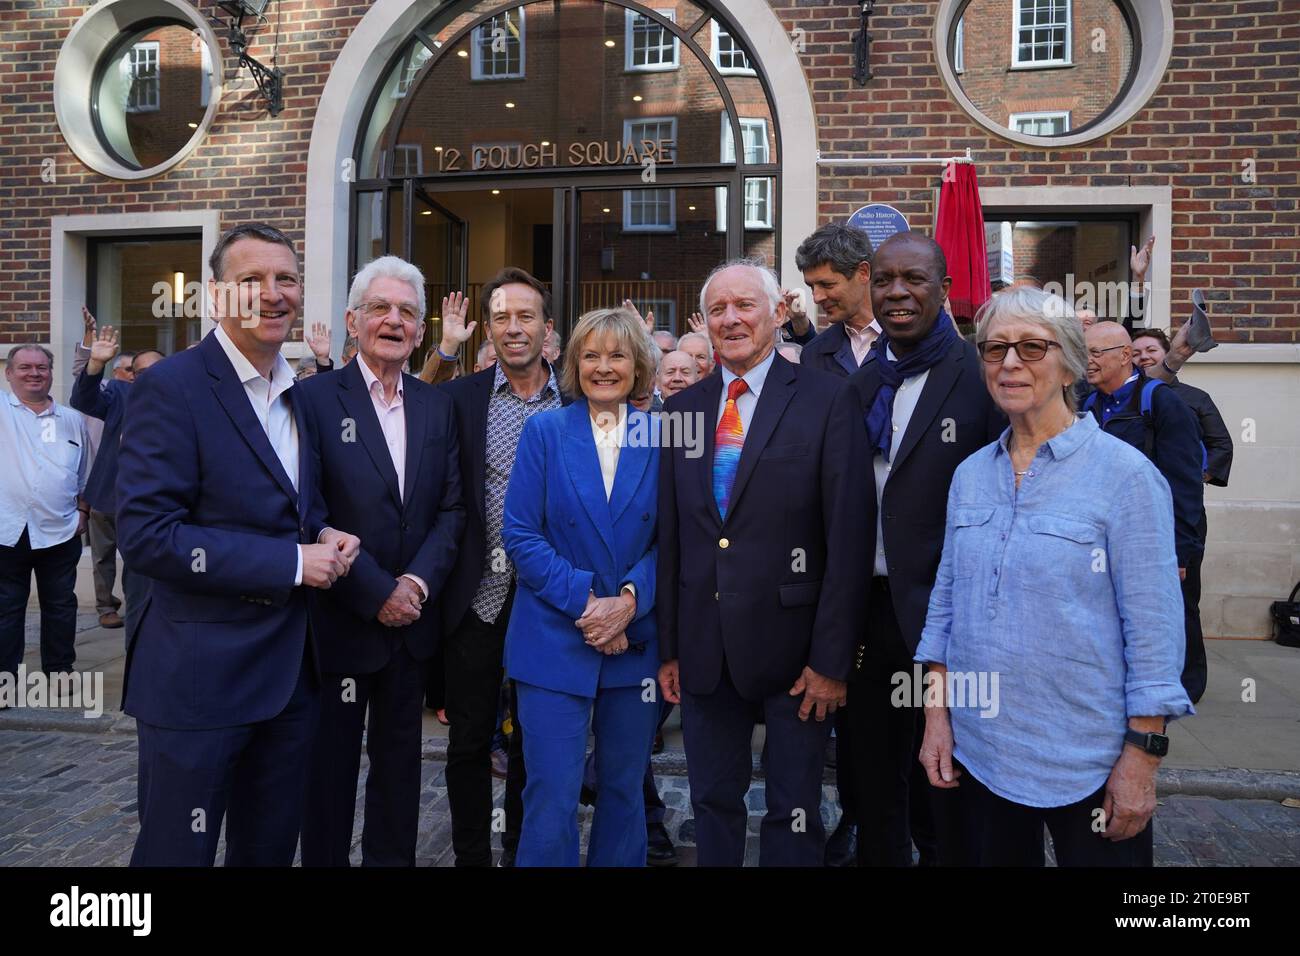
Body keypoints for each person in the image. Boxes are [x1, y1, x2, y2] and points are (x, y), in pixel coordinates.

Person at [916, 285, 1192, 866]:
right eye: (995, 350)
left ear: (1068, 361)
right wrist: (936, 719)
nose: (1010, 363)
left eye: (1032, 348)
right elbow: (945, 608)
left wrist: (1142, 759)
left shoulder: (1126, 478)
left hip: (1088, 761)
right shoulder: (970, 475)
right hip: (981, 754)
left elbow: (1155, 631)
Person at [116, 222, 360, 866]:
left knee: (268, 852)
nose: (272, 294)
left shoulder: (299, 395)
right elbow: (146, 534)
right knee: (176, 854)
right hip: (199, 682)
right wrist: (291, 563)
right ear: (216, 296)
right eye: (252, 280)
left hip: (289, 681)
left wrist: (324, 533)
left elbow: (293, 509)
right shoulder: (171, 387)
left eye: (285, 279)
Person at [657, 259, 869, 867]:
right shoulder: (685, 410)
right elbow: (675, 537)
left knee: (794, 807)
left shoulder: (829, 400)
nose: (731, 319)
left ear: (778, 312)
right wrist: (670, 646)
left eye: (745, 305)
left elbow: (849, 540)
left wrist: (832, 661)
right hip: (704, 649)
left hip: (797, 653)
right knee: (712, 801)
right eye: (718, 308)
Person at [840, 232, 1007, 867]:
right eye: (884, 280)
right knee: (876, 774)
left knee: (949, 779)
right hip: (871, 614)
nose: (897, 293)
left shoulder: (982, 374)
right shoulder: (864, 380)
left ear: (944, 288)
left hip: (954, 616)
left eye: (913, 279)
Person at [298, 256, 466, 866]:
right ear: (352, 321)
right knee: (329, 775)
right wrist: (376, 592)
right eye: (379, 309)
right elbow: (306, 510)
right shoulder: (312, 401)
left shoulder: (436, 406)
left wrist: (414, 585)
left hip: (410, 629)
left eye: (407, 313)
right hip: (339, 623)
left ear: (421, 332)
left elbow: (453, 511)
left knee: (399, 774)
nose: (393, 322)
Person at [501, 306, 661, 866]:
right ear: (573, 363)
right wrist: (591, 605)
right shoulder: (544, 430)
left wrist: (629, 603)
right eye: (590, 354)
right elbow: (519, 533)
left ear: (638, 364)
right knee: (550, 794)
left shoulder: (662, 437)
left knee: (623, 793)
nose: (603, 366)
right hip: (552, 637)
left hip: (634, 641)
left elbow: (675, 540)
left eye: (617, 354)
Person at [438, 266, 564, 867]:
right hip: (476, 599)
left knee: (534, 741)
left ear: (547, 328)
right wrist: (441, 351)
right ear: (487, 329)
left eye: (526, 317)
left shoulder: (579, 397)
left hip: (550, 599)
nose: (514, 329)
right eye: (502, 318)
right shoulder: (459, 400)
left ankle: (521, 850)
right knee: (467, 741)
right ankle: (470, 856)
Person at [1085, 322, 1211, 703]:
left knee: (1177, 610)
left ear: (1124, 357)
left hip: (1163, 531)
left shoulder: (1162, 402)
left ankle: (1185, 689)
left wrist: (1180, 549)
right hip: (1109, 532)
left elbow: (1185, 481)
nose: (1086, 361)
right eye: (1083, 352)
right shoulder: (1086, 405)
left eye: (1095, 353)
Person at [69, 326, 164, 641]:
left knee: (144, 578)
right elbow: (83, 398)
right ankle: (111, 613)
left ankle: (149, 637)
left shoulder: (185, 400)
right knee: (106, 559)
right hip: (111, 497)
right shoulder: (121, 395)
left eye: (157, 369)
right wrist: (95, 364)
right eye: (141, 371)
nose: (149, 376)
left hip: (158, 506)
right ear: (133, 377)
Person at [0, 345, 90, 679]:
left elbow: (85, 472)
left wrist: (83, 510)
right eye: (24, 367)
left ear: (52, 373)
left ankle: (59, 670)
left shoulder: (72, 420)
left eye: (42, 367)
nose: (34, 373)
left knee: (61, 606)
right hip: (6, 530)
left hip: (60, 529)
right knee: (7, 609)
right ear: (9, 373)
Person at [72, 307, 119, 629]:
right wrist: (90, 341)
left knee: (141, 561)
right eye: (126, 369)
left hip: (137, 494)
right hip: (101, 491)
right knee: (102, 556)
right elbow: (82, 378)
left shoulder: (153, 399)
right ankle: (105, 606)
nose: (130, 375)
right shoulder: (106, 397)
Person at [797, 223, 881, 377]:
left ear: (863, 272)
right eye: (811, 287)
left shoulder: (908, 340)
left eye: (827, 284)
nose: (817, 298)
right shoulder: (813, 355)